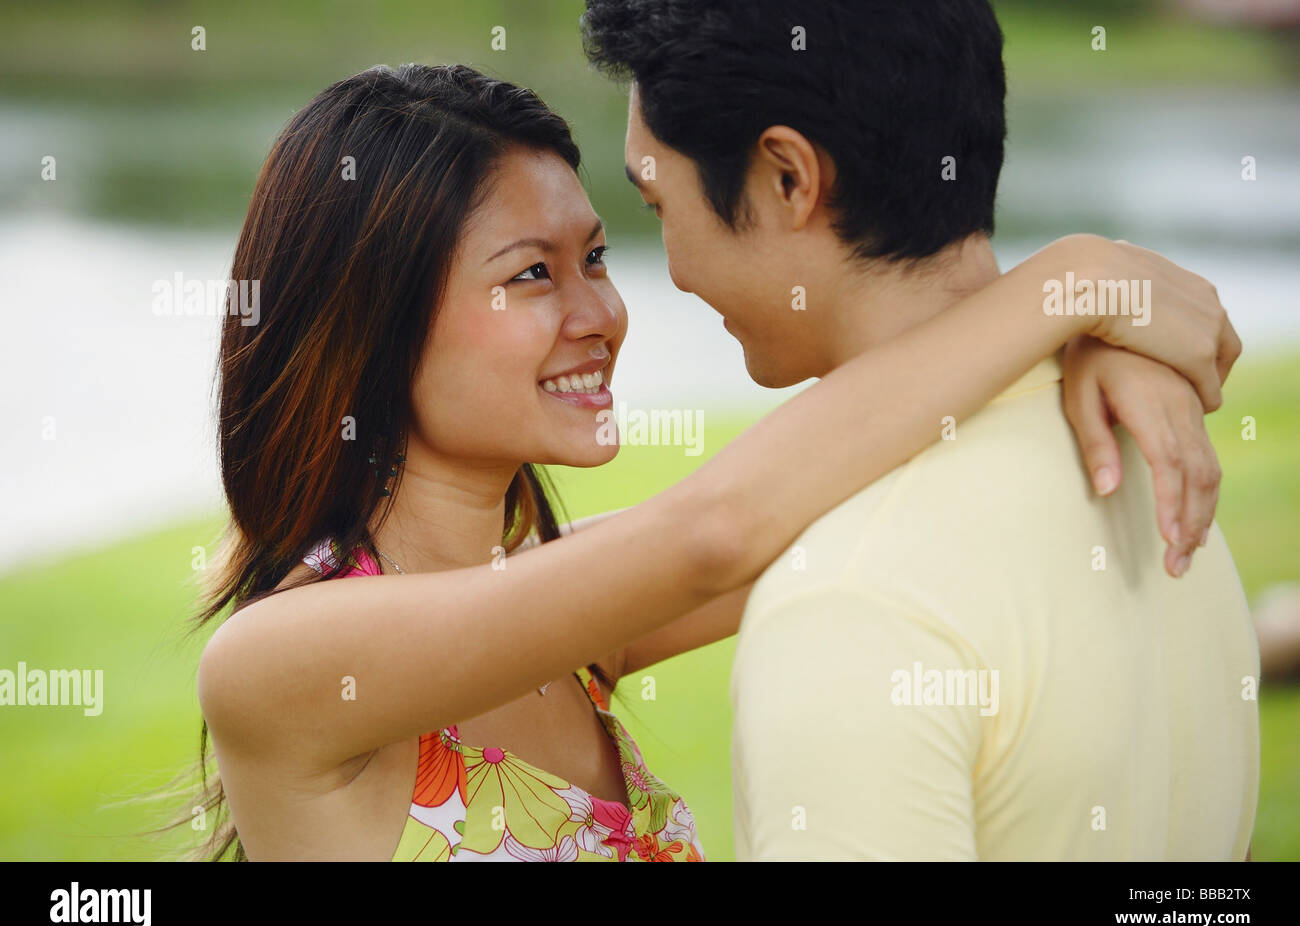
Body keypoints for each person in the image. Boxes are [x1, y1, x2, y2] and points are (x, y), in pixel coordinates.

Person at [194, 61, 1238, 862]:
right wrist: (1074, 278)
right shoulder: (283, 663)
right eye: (531, 275)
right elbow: (716, 529)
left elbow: (857, 458)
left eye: (596, 258)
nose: (599, 314)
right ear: (371, 319)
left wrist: (1086, 349)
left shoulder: (568, 635)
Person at [580, 0, 1258, 859]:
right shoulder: (1153, 467)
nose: (669, 273)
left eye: (656, 203)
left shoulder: (848, 600)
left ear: (788, 177)